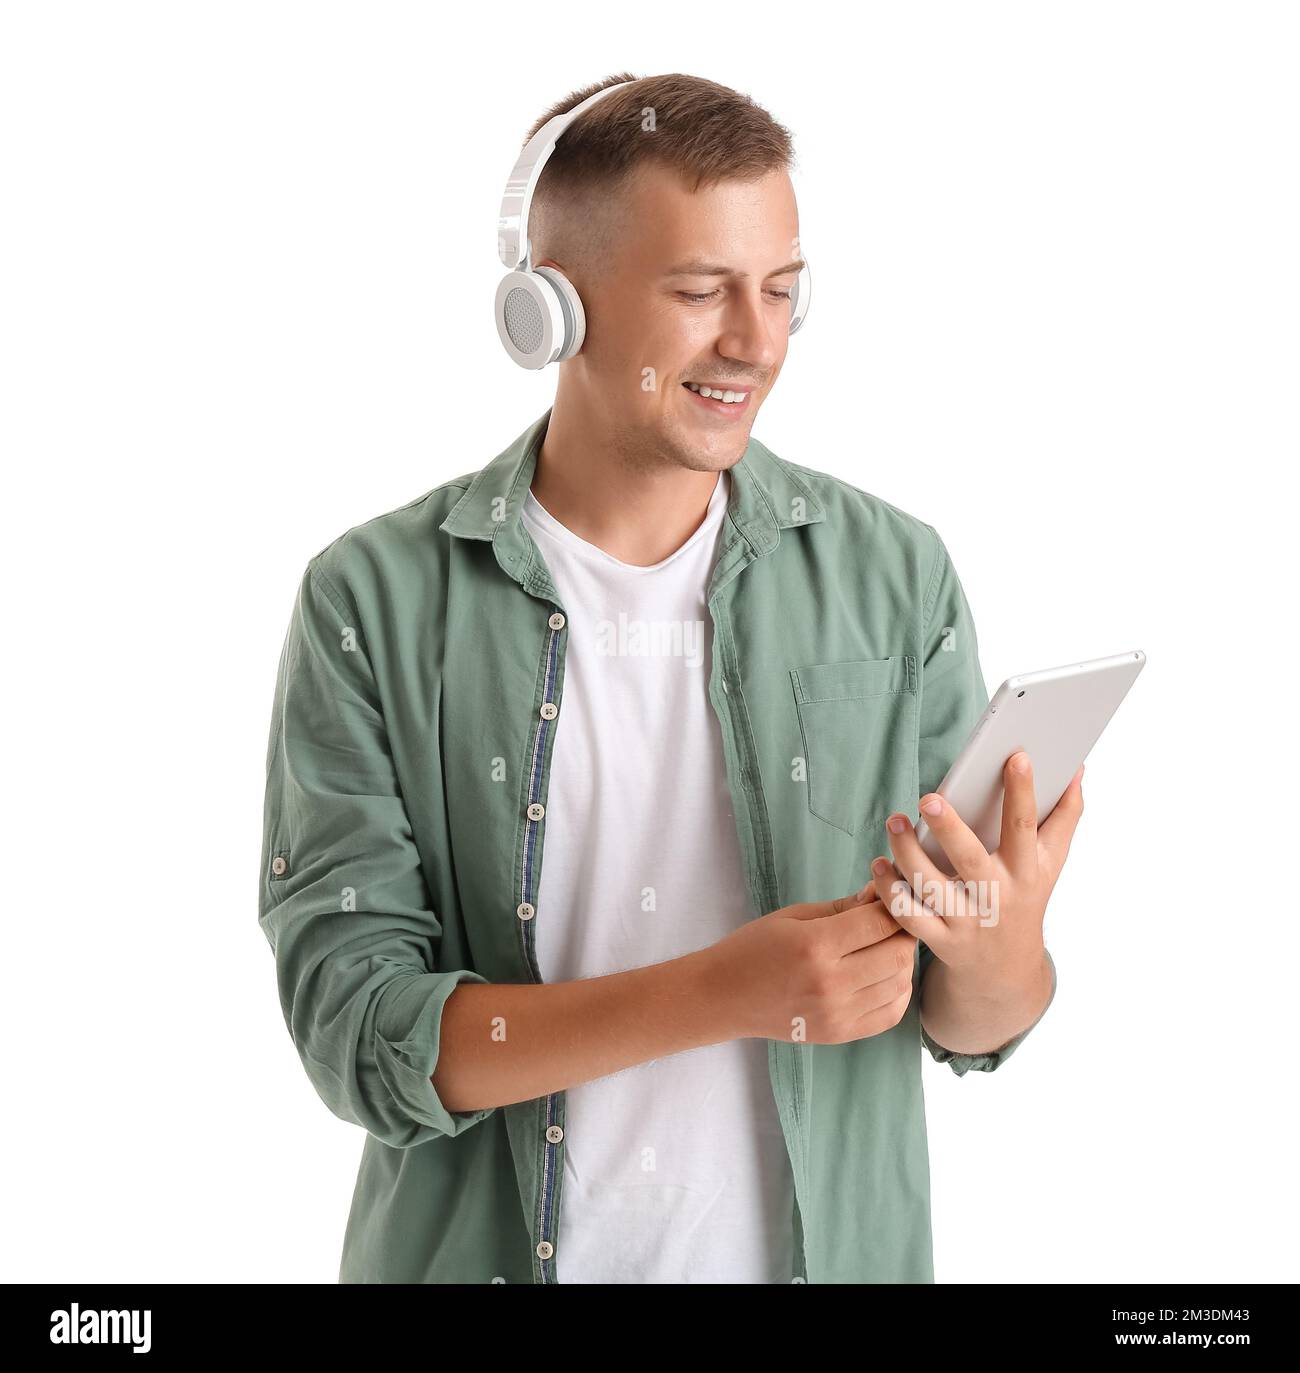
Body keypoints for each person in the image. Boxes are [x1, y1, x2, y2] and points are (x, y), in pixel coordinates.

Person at [258, 70, 1076, 1285]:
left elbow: (964, 1016)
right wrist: (716, 990)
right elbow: (358, 1037)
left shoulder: (893, 575)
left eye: (783, 292)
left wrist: (1002, 954)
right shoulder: (371, 601)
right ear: (550, 309)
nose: (755, 341)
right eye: (701, 292)